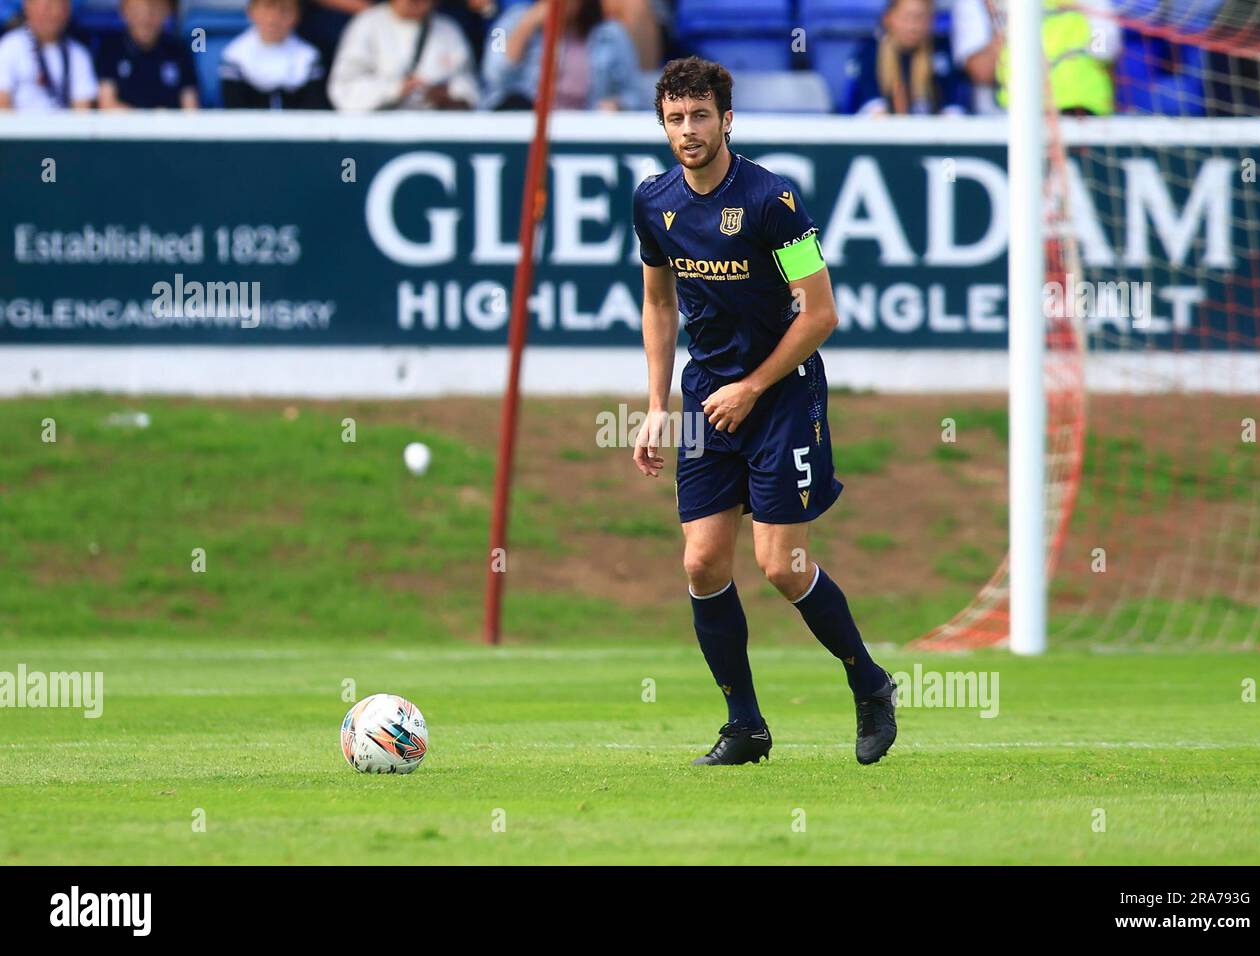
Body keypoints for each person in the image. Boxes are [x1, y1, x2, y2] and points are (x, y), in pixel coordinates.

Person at [630, 57, 898, 767]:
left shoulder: (772, 201)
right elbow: (658, 304)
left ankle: (870, 684)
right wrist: (657, 405)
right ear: (662, 125)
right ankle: (744, 726)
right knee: (701, 562)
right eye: (674, 119)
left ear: (726, 120)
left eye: (699, 117)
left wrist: (751, 385)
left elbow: (821, 313)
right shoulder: (653, 203)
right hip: (704, 399)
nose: (687, 131)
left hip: (781, 396)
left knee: (781, 566)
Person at [952, 0, 1119, 116]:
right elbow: (981, 70)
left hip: (1083, 113)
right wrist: (1008, 26)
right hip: (1013, 116)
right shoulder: (981, 4)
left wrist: (1082, 17)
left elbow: (1105, 49)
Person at [481, 0, 638, 111]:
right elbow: (494, 74)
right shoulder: (509, 22)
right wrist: (526, 26)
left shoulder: (611, 34)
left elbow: (633, 93)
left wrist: (617, 106)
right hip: (525, 123)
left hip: (586, 126)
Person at [328, 0, 477, 111]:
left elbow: (468, 85)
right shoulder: (367, 24)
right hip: (377, 130)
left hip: (436, 130)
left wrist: (446, 97)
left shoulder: (449, 30)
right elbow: (344, 88)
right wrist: (396, 90)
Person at [841, 0, 963, 116]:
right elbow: (868, 104)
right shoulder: (870, 52)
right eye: (906, 18)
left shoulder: (941, 52)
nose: (913, 26)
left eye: (921, 18)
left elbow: (952, 107)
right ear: (888, 18)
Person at [220, 0, 328, 109]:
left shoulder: (309, 57)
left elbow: (314, 110)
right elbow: (234, 110)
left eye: (285, 10)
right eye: (267, 8)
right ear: (250, 11)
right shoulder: (234, 56)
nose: (274, 18)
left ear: (298, 15)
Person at [96, 0, 198, 110]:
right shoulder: (111, 49)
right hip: (123, 126)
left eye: (154, 8)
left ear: (167, 10)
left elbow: (190, 108)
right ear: (124, 10)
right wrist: (148, 119)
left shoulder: (179, 51)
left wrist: (166, 120)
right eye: (138, 8)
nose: (146, 17)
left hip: (170, 126)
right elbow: (106, 104)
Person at [0, 0, 95, 110]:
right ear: (27, 8)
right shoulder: (10, 46)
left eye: (53, 6)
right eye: (41, 6)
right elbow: (2, 104)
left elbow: (82, 110)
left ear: (66, 10)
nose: (46, 13)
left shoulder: (78, 54)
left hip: (64, 126)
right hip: (16, 126)